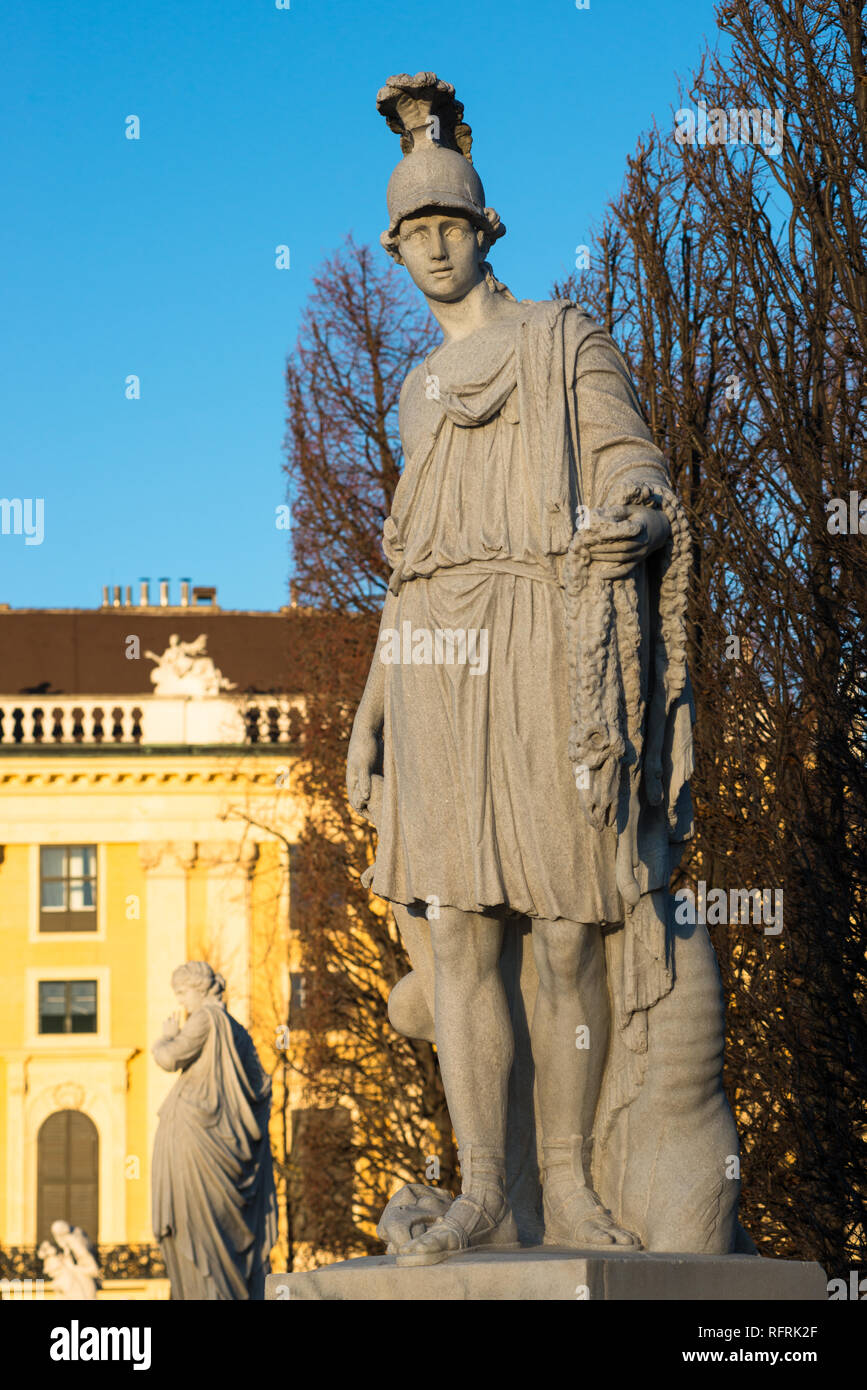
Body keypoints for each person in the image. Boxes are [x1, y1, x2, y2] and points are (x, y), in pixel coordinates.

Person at [347, 74, 701, 1265]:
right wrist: (369, 713)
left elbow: (636, 463)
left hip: (548, 633)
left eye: (451, 224)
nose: (435, 248)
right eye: (414, 233)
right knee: (459, 933)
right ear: (395, 248)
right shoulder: (415, 392)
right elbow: (408, 567)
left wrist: (639, 517)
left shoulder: (563, 337)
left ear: (483, 229)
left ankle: (571, 1186)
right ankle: (486, 1188)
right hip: (440, 652)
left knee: (562, 926)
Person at [151, 961, 277, 1298]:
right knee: (214, 1234)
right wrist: (237, 1123)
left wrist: (165, 1039)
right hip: (220, 1143)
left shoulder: (206, 1019)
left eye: (183, 992)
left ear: (201, 988)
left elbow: (170, 1058)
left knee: (196, 1227)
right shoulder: (237, 1030)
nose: (181, 1002)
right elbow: (262, 1087)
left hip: (196, 1139)